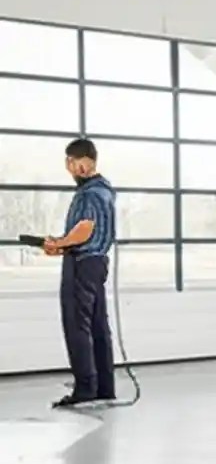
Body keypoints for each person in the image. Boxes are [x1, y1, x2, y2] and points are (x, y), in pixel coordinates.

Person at [43, 138, 117, 408]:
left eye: (72, 163)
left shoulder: (89, 193)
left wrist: (61, 243)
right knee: (98, 326)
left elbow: (85, 228)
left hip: (82, 265)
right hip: (96, 262)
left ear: (85, 162)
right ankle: (104, 388)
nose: (71, 169)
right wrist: (63, 246)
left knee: (77, 326)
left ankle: (85, 389)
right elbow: (90, 233)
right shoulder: (105, 190)